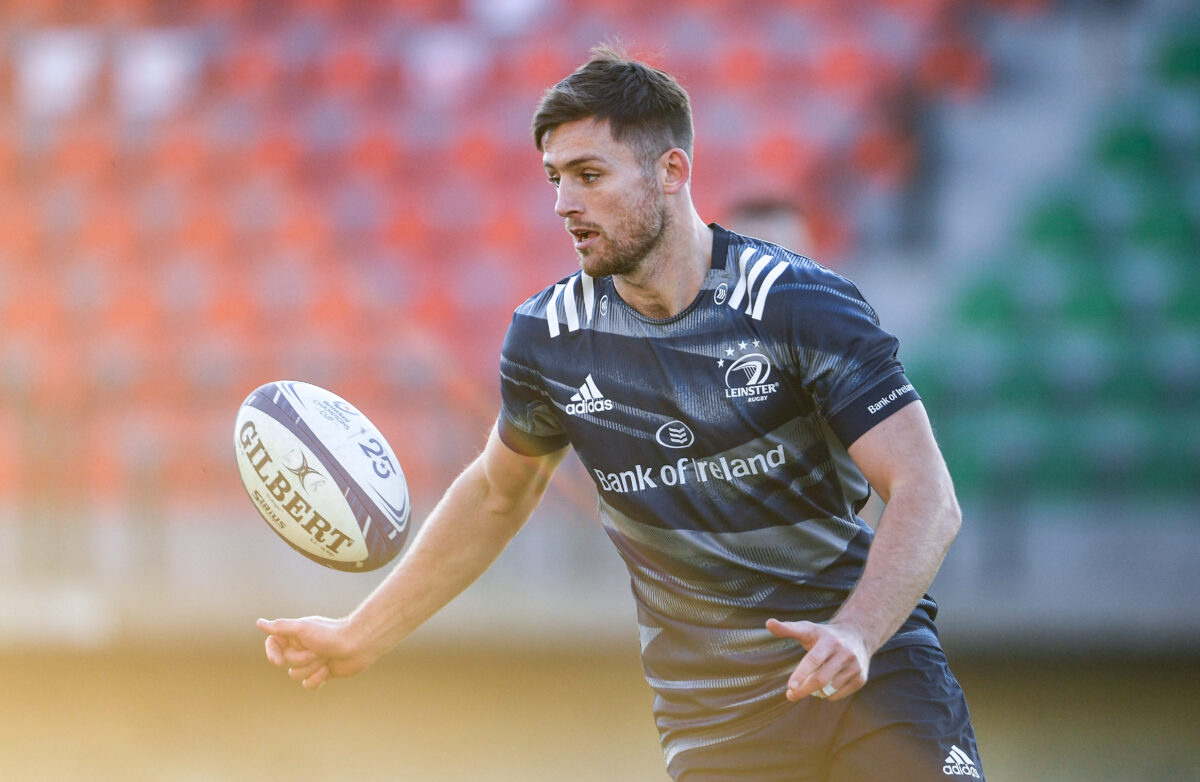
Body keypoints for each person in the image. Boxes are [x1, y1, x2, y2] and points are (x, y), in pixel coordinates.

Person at [258, 45, 985, 782]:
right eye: (554, 179)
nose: (563, 204)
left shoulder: (799, 304)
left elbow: (928, 494)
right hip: (718, 723)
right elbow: (495, 492)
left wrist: (857, 633)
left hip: (874, 674)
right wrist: (360, 634)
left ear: (671, 173)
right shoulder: (550, 340)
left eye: (589, 176)